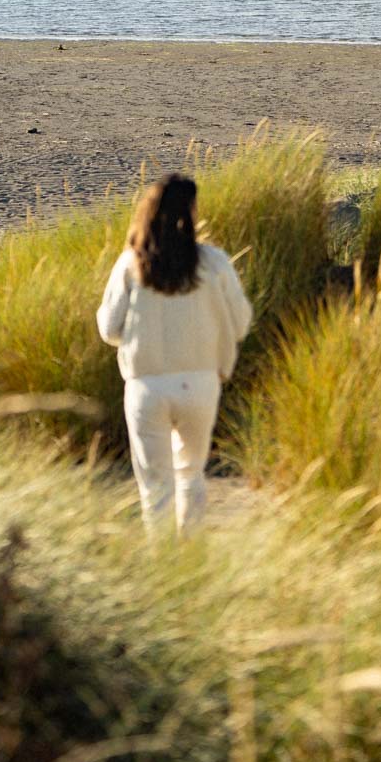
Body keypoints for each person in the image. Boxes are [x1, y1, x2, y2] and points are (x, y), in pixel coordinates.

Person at [97, 174, 252, 536]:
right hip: (200, 383)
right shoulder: (213, 262)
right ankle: (191, 559)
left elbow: (108, 328)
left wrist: (140, 335)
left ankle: (162, 564)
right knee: (191, 475)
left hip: (146, 385)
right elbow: (241, 322)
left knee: (155, 487)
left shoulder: (132, 263)